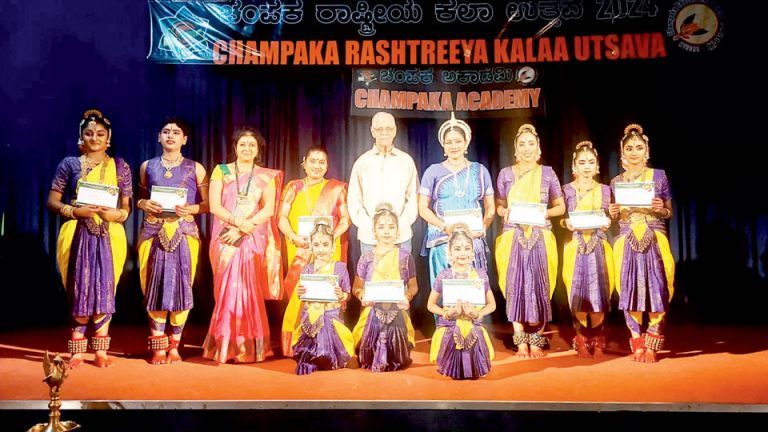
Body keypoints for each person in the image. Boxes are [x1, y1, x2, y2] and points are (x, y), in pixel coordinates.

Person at [47, 109, 132, 368]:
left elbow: (126, 208)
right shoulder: (69, 164)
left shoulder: (120, 166)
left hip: (109, 234)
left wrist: (115, 214)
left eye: (100, 133)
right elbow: (52, 201)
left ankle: (101, 350)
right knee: (80, 287)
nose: (94, 138)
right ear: (81, 137)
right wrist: (75, 211)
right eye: (89, 133)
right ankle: (77, 351)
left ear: (109, 138)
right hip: (77, 233)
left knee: (106, 289)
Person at [202, 127, 283, 363]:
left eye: (252, 145)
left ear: (258, 150)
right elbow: (215, 206)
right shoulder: (221, 171)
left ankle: (250, 346)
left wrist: (245, 226)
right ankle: (224, 346)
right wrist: (237, 224)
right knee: (227, 291)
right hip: (226, 236)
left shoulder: (266, 176)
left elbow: (268, 209)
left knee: (249, 291)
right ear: (235, 147)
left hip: (251, 237)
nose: (247, 148)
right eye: (243, 144)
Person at [136, 117, 209, 365]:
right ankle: (158, 347)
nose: (170, 135)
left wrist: (191, 209)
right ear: (159, 137)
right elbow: (139, 197)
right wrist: (142, 203)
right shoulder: (148, 166)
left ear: (184, 139)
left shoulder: (195, 168)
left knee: (181, 288)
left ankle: (175, 347)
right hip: (153, 232)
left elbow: (207, 204)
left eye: (176, 132)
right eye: (166, 131)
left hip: (184, 232)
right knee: (153, 287)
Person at [495, 123, 565, 358]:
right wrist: (501, 210)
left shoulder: (548, 173)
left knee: (540, 286)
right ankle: (520, 341)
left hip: (540, 234)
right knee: (514, 286)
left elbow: (561, 207)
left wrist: (545, 213)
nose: (526, 148)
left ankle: (536, 339)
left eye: (531, 144)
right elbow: (499, 204)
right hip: (512, 235)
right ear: (515, 149)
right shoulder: (505, 174)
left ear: (539, 148)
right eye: (522, 144)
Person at [608, 124, 674, 363]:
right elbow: (614, 216)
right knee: (628, 288)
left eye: (639, 147)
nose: (634, 152)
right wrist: (613, 212)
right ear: (622, 153)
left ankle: (653, 340)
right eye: (629, 148)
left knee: (658, 287)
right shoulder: (616, 182)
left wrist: (660, 209)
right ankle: (636, 340)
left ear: (646, 150)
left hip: (653, 234)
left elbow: (669, 212)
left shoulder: (659, 176)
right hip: (626, 238)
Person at [279, 146, 350, 356]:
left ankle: (329, 344)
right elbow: (281, 217)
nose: (317, 165)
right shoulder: (294, 187)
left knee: (327, 295)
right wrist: (293, 237)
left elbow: (346, 220)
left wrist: (328, 239)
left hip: (327, 251)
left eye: (321, 162)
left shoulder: (336, 188)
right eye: (313, 161)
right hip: (299, 248)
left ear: (327, 166)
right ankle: (296, 344)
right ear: (304, 162)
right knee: (300, 294)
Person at [418, 113, 495, 287]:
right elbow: (422, 209)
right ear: (443, 145)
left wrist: (483, 227)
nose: (454, 146)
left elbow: (490, 208)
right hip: (442, 240)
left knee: (473, 294)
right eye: (449, 142)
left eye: (458, 141)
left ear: (466, 143)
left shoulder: (480, 171)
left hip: (472, 242)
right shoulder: (433, 171)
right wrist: (446, 227)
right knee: (444, 294)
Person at [561, 141, 614, 358]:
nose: (586, 166)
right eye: (582, 162)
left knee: (599, 294)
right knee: (577, 294)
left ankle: (599, 339)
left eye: (591, 162)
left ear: (597, 166)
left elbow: (611, 216)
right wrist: (567, 224)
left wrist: (609, 221)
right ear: (574, 166)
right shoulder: (566, 190)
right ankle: (581, 338)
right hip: (575, 246)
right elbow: (561, 221)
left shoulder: (605, 190)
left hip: (599, 245)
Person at [351, 203, 418, 372]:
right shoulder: (366, 257)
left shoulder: (405, 256)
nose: (386, 231)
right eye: (381, 227)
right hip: (371, 310)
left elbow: (413, 286)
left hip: (397, 310)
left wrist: (407, 297)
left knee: (397, 353)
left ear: (398, 231)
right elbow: (356, 286)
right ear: (374, 232)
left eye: (391, 227)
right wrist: (362, 296)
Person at [427, 224, 496, 379]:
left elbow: (492, 304)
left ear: (472, 251)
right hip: (451, 326)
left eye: (466, 248)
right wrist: (447, 313)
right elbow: (430, 305)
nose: (462, 253)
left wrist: (477, 313)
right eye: (457, 249)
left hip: (473, 324)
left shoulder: (480, 275)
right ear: (449, 252)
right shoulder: (444, 275)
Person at [348, 112, 419, 254]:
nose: (384, 133)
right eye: (379, 129)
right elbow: (354, 199)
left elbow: (414, 198)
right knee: (371, 276)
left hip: (400, 236)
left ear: (395, 131)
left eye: (388, 129)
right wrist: (371, 227)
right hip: (370, 237)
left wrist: (400, 225)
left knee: (402, 276)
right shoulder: (362, 162)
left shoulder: (406, 161)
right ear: (372, 131)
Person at [290, 222, 355, 374]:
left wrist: (342, 295)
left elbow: (348, 293)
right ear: (311, 247)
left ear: (333, 246)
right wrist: (301, 293)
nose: (321, 249)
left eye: (325, 244)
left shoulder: (340, 267)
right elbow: (304, 295)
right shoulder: (308, 268)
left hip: (331, 314)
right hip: (311, 315)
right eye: (317, 245)